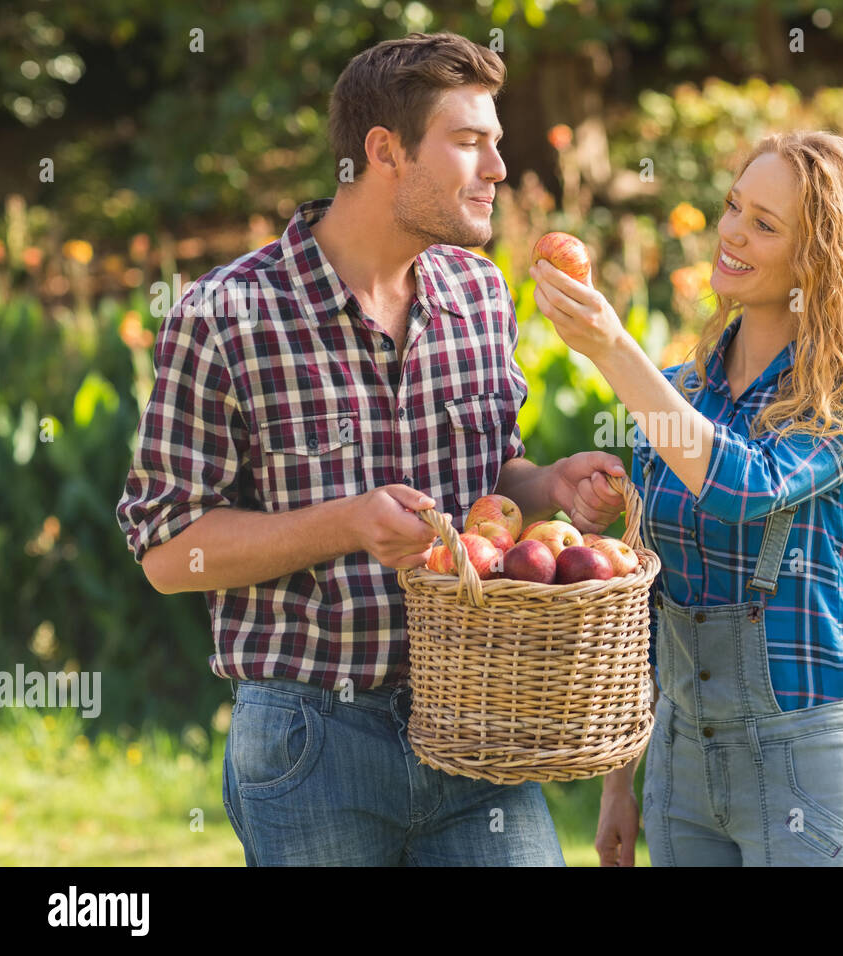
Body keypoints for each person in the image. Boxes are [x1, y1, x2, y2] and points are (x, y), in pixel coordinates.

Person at [115, 32, 626, 866]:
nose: (498, 168)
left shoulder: (478, 293)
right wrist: (347, 523)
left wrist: (549, 486)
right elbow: (170, 554)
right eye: (470, 143)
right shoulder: (225, 315)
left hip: (479, 723)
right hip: (312, 743)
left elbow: (492, 482)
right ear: (384, 152)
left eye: (496, 144)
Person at [529, 130, 843, 866]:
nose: (731, 231)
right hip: (682, 763)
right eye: (734, 206)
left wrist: (612, 349)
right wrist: (620, 782)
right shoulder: (680, 391)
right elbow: (647, 599)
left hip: (809, 753)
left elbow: (748, 487)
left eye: (766, 224)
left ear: (823, 260)